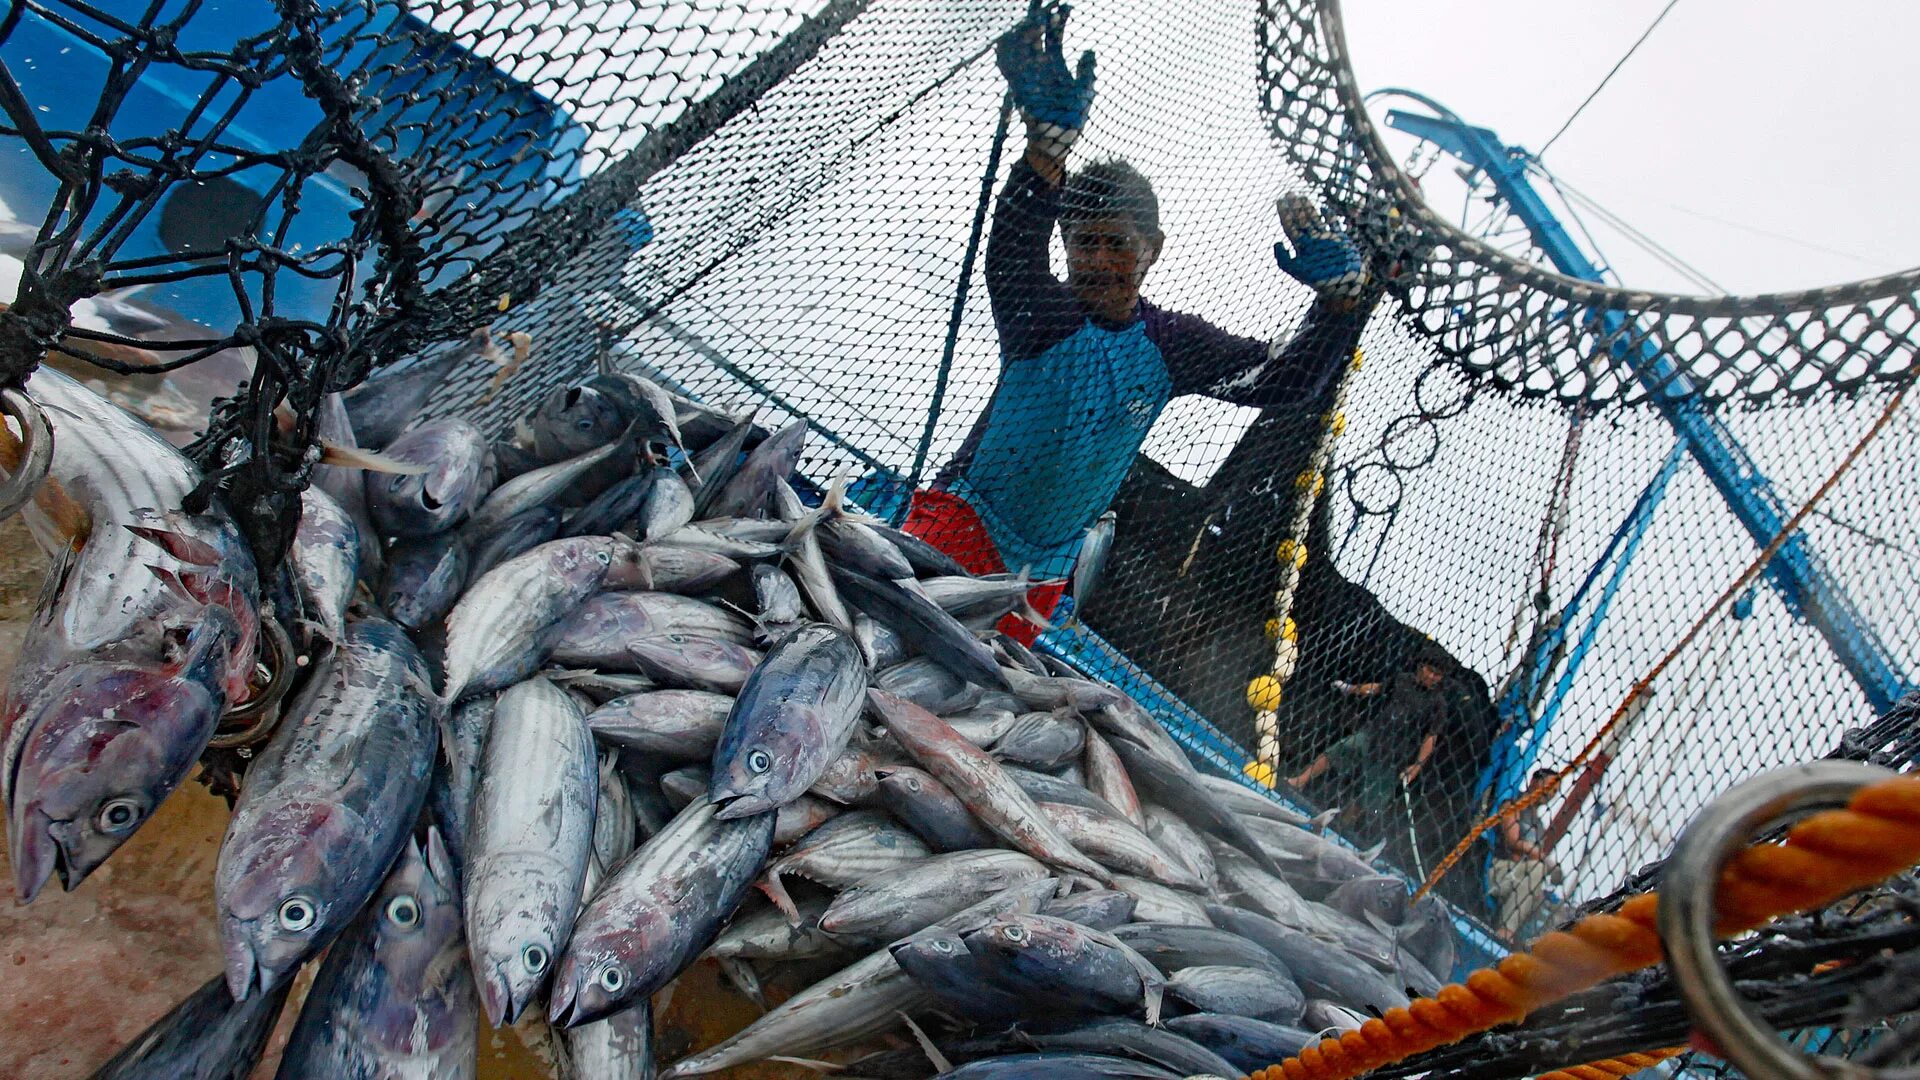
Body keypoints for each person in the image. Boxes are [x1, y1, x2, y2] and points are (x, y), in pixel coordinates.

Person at [899, 4, 1378, 643]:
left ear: (1152, 247)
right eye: (1082, 242)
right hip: (959, 523)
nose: (1098, 261)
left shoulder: (1172, 346)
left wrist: (1340, 305)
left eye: (1117, 243)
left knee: (969, 697)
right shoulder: (1043, 315)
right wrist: (1045, 152)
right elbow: (1013, 248)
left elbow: (1284, 381)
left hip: (1041, 570)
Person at [1287, 654, 1449, 831]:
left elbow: (1431, 737)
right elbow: (1377, 688)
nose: (1432, 677)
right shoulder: (1403, 680)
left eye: (1438, 675)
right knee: (1339, 750)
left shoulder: (1438, 703)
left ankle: (1342, 827)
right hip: (1373, 734)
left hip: (1395, 754)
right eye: (1430, 671)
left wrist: (1416, 767)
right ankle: (1300, 781)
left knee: (1370, 795)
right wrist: (1350, 688)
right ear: (1421, 666)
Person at [1488, 768, 1565, 943]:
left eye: (1555, 791)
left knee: (1546, 901)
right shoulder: (1514, 804)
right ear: (1535, 781)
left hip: (1520, 880)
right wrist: (1539, 856)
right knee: (1538, 868)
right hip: (1499, 871)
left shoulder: (1539, 826)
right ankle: (1505, 932)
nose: (1551, 793)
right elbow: (1512, 840)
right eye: (1550, 786)